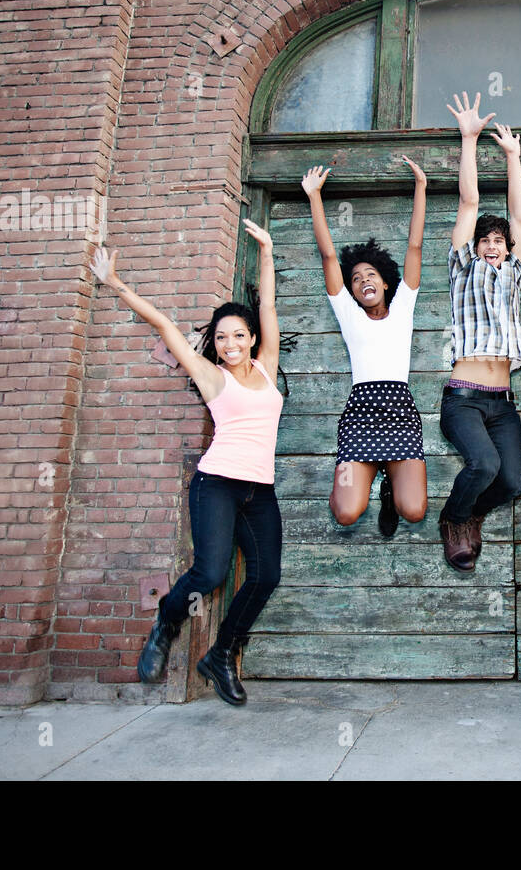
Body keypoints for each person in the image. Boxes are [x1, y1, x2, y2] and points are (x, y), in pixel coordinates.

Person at [90, 217, 284, 706]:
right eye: (222, 338)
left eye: (239, 335)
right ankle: (167, 621)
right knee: (210, 573)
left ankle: (220, 654)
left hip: (259, 490)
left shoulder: (267, 364)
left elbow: (269, 303)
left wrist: (264, 250)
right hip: (217, 483)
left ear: (252, 339)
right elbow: (164, 324)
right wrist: (116, 285)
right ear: (215, 344)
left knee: (265, 576)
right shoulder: (211, 375)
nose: (231, 344)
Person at [303, 157, 429, 537]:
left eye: (370, 274)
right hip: (360, 411)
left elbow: (415, 244)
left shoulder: (404, 304)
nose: (362, 281)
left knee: (414, 510)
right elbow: (328, 255)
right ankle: (368, 472)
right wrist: (314, 197)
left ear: (386, 282)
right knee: (345, 512)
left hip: (400, 408)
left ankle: (390, 483)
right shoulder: (349, 314)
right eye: (356, 278)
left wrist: (421, 187)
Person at [437, 92, 521, 573]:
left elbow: (519, 218)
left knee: (511, 481)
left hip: (503, 404)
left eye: (498, 242)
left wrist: (513, 158)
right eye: (485, 241)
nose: (493, 246)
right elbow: (469, 200)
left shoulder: (514, 272)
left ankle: (470, 513)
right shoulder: (463, 270)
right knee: (484, 466)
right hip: (464, 397)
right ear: (474, 247)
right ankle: (454, 519)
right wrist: (469, 139)